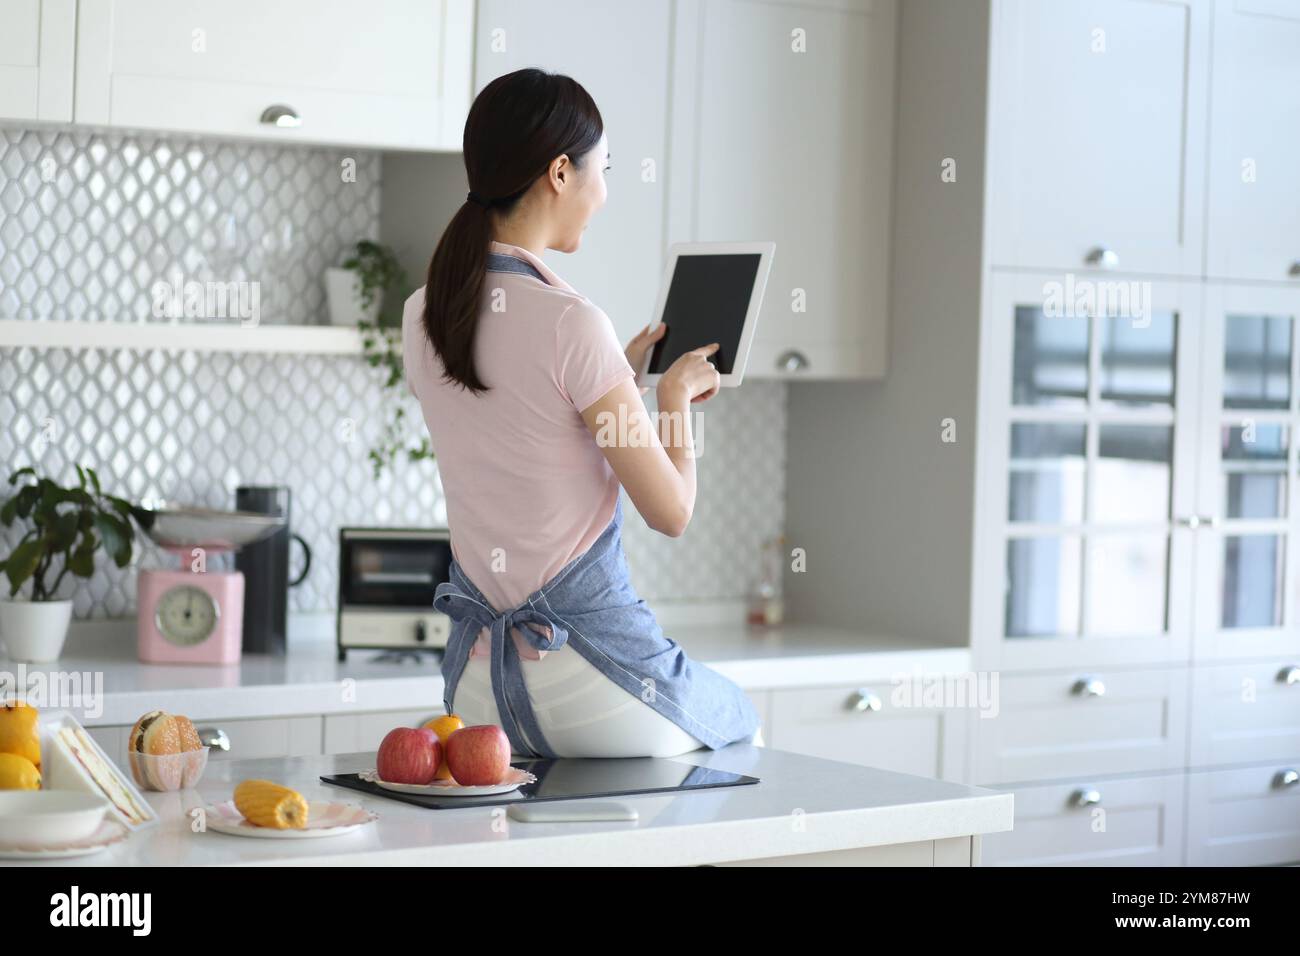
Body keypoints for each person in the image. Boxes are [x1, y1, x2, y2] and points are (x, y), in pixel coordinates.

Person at [401, 67, 763, 758]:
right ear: (560, 172)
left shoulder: (423, 313)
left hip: (477, 692)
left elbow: (521, 421)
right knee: (742, 724)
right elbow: (672, 512)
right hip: (592, 681)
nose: (605, 192)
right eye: (605, 169)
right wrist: (671, 400)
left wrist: (616, 379)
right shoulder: (572, 322)